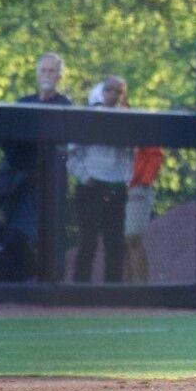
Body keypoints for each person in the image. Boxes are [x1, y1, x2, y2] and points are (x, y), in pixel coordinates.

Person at [0, 52, 72, 247]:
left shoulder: (65, 106)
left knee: (27, 235)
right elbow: (6, 138)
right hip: (12, 179)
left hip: (42, 183)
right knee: (0, 227)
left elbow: (61, 148)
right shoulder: (23, 103)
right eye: (43, 70)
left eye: (51, 71)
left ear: (59, 76)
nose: (47, 75)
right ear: (37, 74)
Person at [67, 77, 133, 283]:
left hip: (116, 188)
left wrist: (127, 179)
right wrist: (84, 176)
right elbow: (67, 153)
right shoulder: (88, 118)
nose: (112, 94)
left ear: (123, 96)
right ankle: (80, 289)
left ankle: (112, 291)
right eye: (108, 90)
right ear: (101, 92)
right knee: (88, 241)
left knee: (115, 242)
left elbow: (132, 155)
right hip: (90, 187)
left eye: (117, 91)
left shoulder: (128, 121)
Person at [123, 145, 163, 283]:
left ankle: (141, 286)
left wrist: (145, 181)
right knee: (123, 243)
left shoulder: (141, 127)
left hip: (138, 188)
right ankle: (125, 289)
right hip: (115, 188)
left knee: (133, 238)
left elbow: (155, 154)